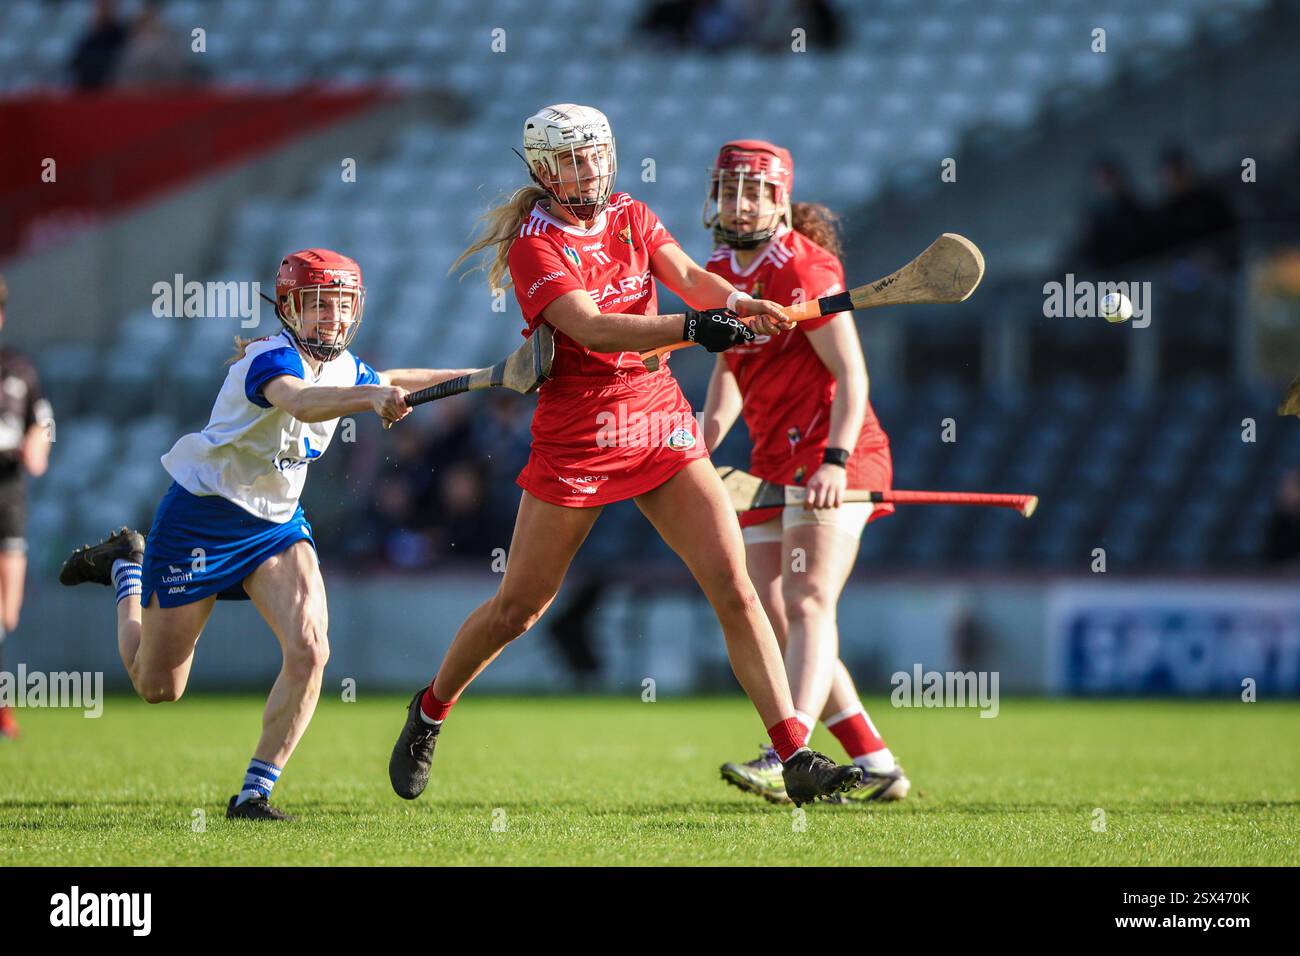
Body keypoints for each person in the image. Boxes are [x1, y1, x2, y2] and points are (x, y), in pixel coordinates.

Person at [388, 104, 864, 807]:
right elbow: (595, 329)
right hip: (579, 433)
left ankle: (794, 753)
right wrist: (695, 328)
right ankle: (430, 710)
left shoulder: (631, 214)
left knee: (734, 586)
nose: (589, 170)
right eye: (571, 159)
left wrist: (741, 302)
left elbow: (689, 276)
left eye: (595, 154)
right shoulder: (534, 247)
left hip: (658, 418)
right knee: (519, 609)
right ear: (543, 170)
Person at [59, 249, 466, 818]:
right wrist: (371, 397)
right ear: (290, 309)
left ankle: (254, 793)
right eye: (319, 305)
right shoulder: (269, 359)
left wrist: (485, 378)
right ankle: (128, 566)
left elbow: (395, 379)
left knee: (311, 648)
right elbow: (301, 403)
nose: (333, 317)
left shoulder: (344, 367)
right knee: (158, 687)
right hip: (201, 519)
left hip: (275, 526)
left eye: (342, 305)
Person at [699, 141, 909, 805]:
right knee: (778, 617)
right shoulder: (718, 271)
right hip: (771, 460)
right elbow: (729, 370)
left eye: (755, 192)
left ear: (781, 200)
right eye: (730, 190)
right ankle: (876, 763)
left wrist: (835, 462)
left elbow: (852, 374)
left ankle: (785, 753)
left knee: (809, 599)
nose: (740, 204)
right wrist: (699, 445)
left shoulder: (806, 267)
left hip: (835, 453)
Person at [0, 275, 54, 739]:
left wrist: (38, 442)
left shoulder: (18, 369)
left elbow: (43, 421)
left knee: (7, 614)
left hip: (8, 495)